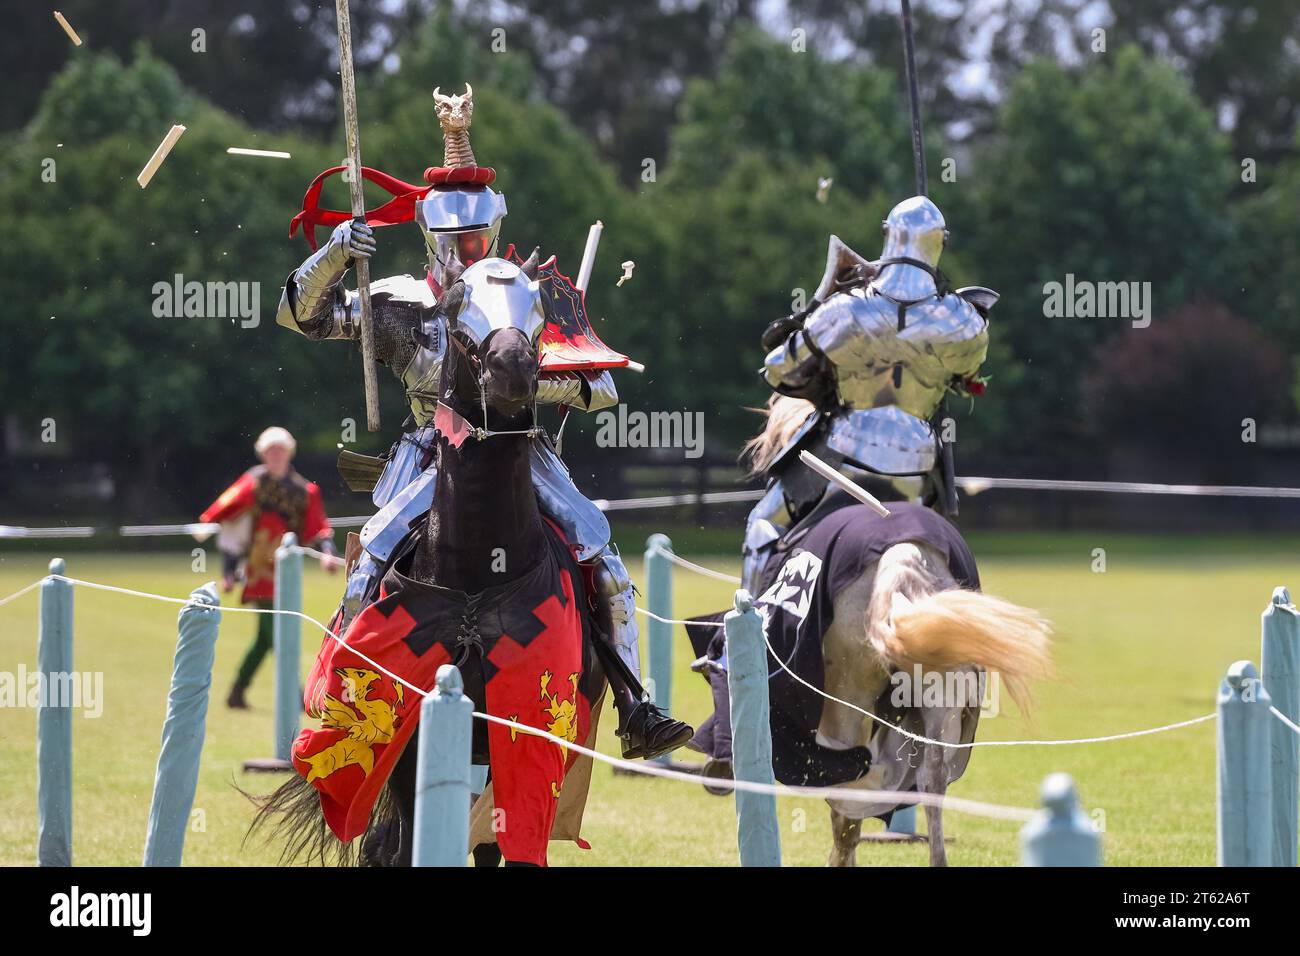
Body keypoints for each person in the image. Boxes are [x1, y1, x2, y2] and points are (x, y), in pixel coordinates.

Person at [274, 85, 691, 759]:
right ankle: (348, 705)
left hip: (519, 452)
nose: (471, 250)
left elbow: (602, 388)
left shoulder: (518, 298)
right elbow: (301, 316)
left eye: (480, 237)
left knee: (604, 558)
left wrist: (542, 380)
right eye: (459, 239)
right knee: (370, 560)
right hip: (433, 451)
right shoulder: (403, 303)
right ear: (432, 237)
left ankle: (635, 704)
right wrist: (332, 254)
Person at [746, 195, 996, 592]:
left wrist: (808, 317)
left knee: (762, 525)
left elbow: (778, 369)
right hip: (918, 467)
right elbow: (968, 374)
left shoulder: (844, 309)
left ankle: (745, 646)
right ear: (939, 243)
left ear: (888, 236)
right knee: (947, 553)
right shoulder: (965, 322)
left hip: (845, 456)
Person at [200, 426, 337, 709]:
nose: (275, 455)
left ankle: (237, 691)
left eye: (280, 450)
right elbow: (231, 526)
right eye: (270, 450)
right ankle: (297, 694)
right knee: (276, 632)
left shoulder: (303, 491)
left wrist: (327, 554)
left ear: (289, 453)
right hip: (258, 571)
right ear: (262, 453)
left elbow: (318, 526)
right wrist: (228, 572)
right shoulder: (252, 485)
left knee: (265, 637)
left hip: (287, 571)